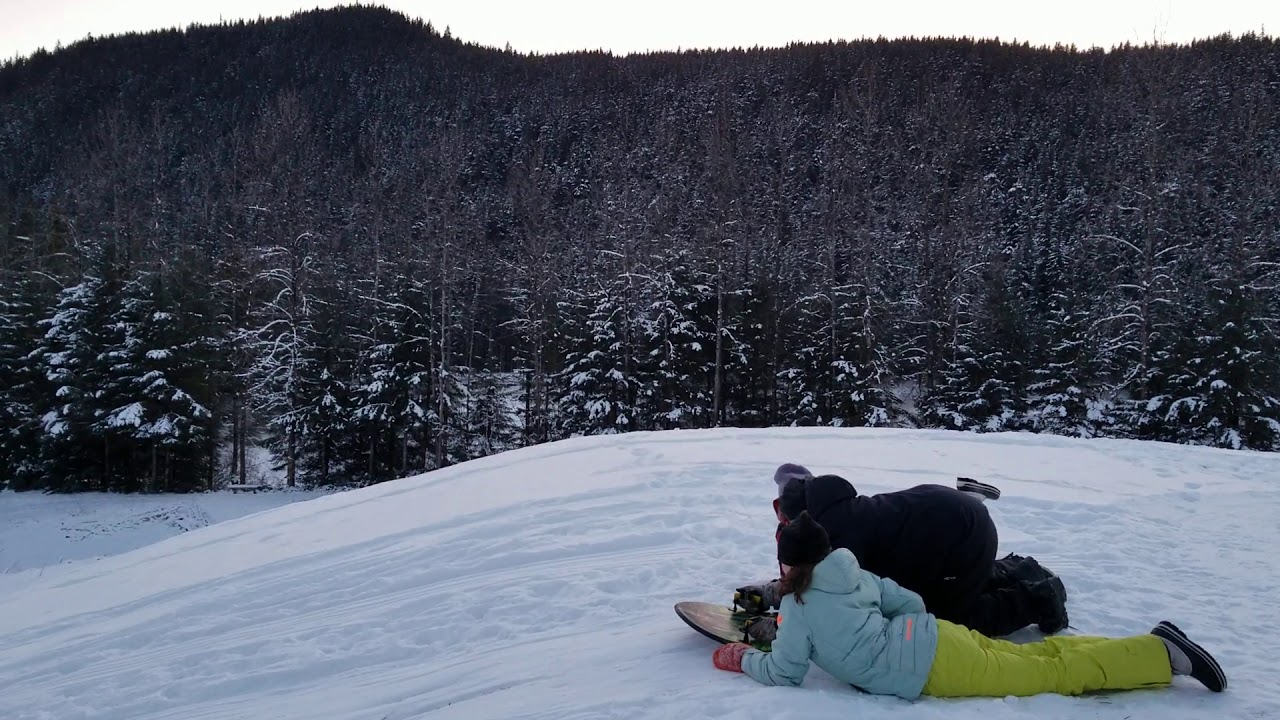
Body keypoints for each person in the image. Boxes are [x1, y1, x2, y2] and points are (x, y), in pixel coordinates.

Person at [713, 512, 1227, 698]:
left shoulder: (799, 608)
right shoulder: (855, 574)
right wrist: (907, 635)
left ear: (789, 566)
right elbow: (909, 601)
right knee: (1040, 658)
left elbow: (785, 672)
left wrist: (743, 658)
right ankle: (1145, 646)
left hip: (933, 666)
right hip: (941, 637)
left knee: (1052, 676)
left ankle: (1162, 655)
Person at [734, 464, 1066, 641]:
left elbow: (832, 601)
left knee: (945, 621)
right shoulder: (837, 511)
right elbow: (816, 579)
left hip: (963, 536)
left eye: (786, 519)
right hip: (952, 525)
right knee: (936, 585)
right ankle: (1014, 570)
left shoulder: (837, 535)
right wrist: (773, 592)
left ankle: (1034, 600)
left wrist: (782, 626)